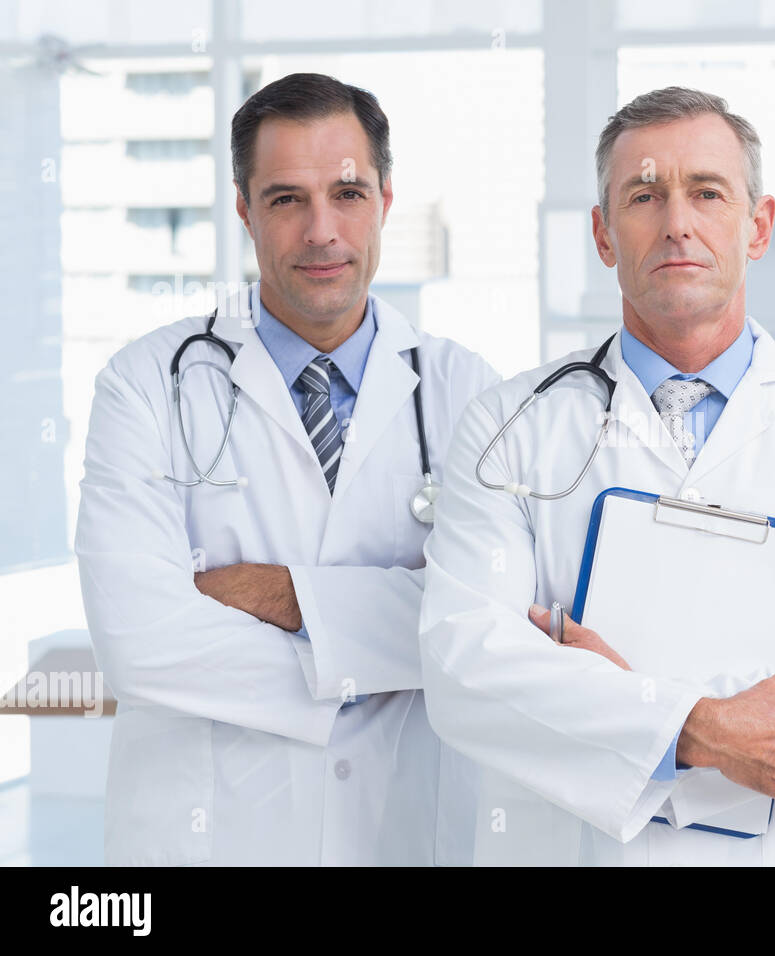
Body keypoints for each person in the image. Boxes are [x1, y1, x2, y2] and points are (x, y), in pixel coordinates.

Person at [417, 86, 775, 866]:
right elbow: (465, 671)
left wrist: (630, 711)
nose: (677, 223)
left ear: (757, 226)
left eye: (706, 192)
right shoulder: (507, 426)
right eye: (644, 195)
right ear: (603, 233)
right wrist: (704, 726)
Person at [75, 73, 498, 865]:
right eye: (285, 200)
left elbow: (496, 628)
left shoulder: (468, 392)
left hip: (403, 834)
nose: (320, 231)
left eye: (346, 192)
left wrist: (285, 594)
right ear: (243, 208)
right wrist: (401, 641)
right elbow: (137, 641)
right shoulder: (146, 385)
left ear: (385, 199)